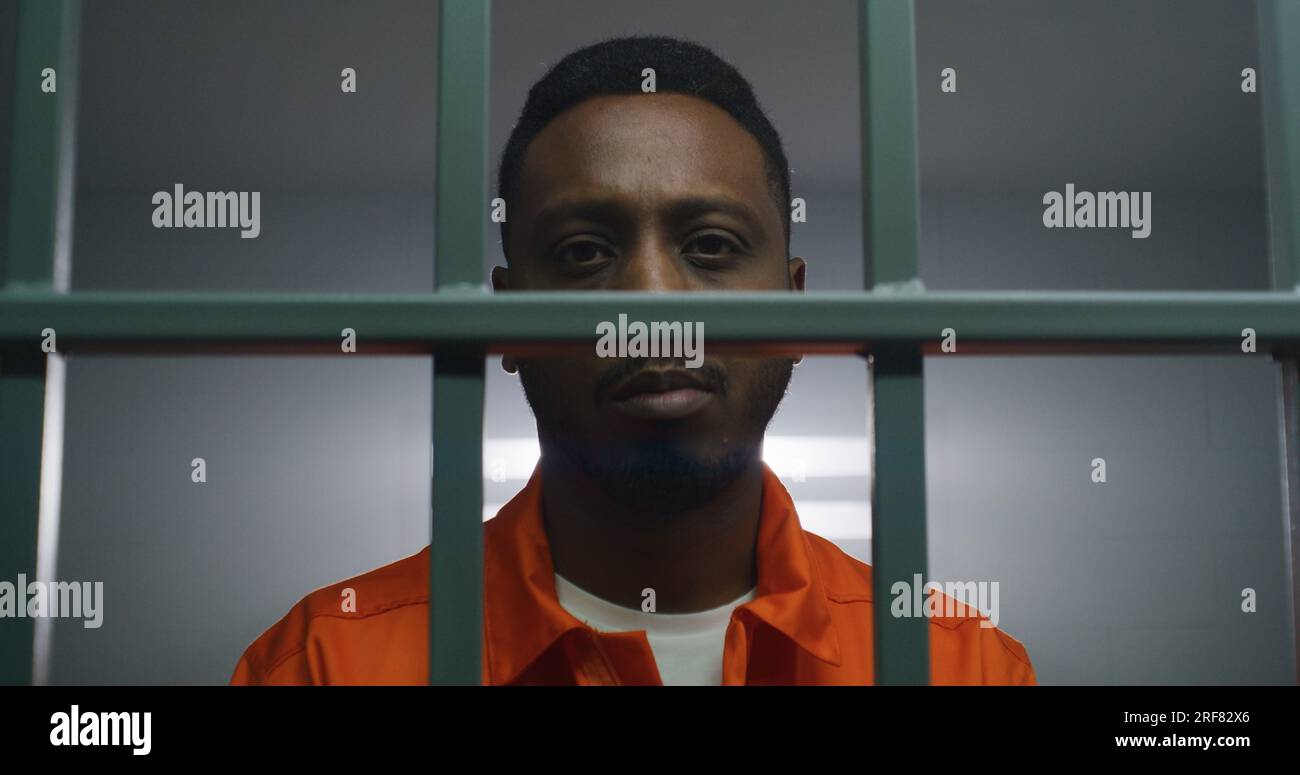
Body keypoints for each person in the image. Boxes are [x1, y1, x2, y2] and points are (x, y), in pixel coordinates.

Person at [231, 35, 1035, 686]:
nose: (652, 306)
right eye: (583, 252)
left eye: (711, 246)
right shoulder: (324, 666)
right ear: (505, 324)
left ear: (796, 307)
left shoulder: (962, 667)